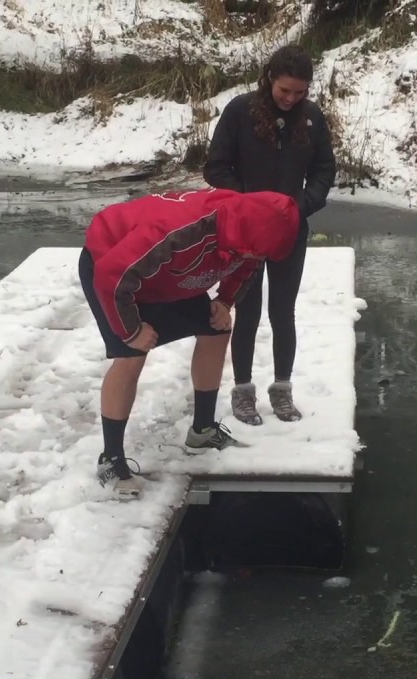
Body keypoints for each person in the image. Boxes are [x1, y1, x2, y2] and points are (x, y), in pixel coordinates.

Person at [80, 187, 301, 496]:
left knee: (218, 328)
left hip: (169, 276)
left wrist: (224, 301)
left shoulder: (247, 239)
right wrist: (131, 330)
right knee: (131, 353)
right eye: (255, 251)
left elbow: (247, 264)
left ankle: (202, 430)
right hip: (115, 272)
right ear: (242, 235)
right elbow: (112, 276)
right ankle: (111, 459)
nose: (256, 257)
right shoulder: (179, 230)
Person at [203, 43, 337, 426]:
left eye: (299, 92)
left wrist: (302, 205)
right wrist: (250, 204)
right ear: (269, 79)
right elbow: (216, 168)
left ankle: (282, 389)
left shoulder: (311, 118)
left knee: (283, 311)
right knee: (246, 310)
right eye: (284, 91)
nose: (291, 99)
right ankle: (243, 392)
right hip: (245, 230)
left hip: (290, 229)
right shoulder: (240, 111)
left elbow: (325, 171)